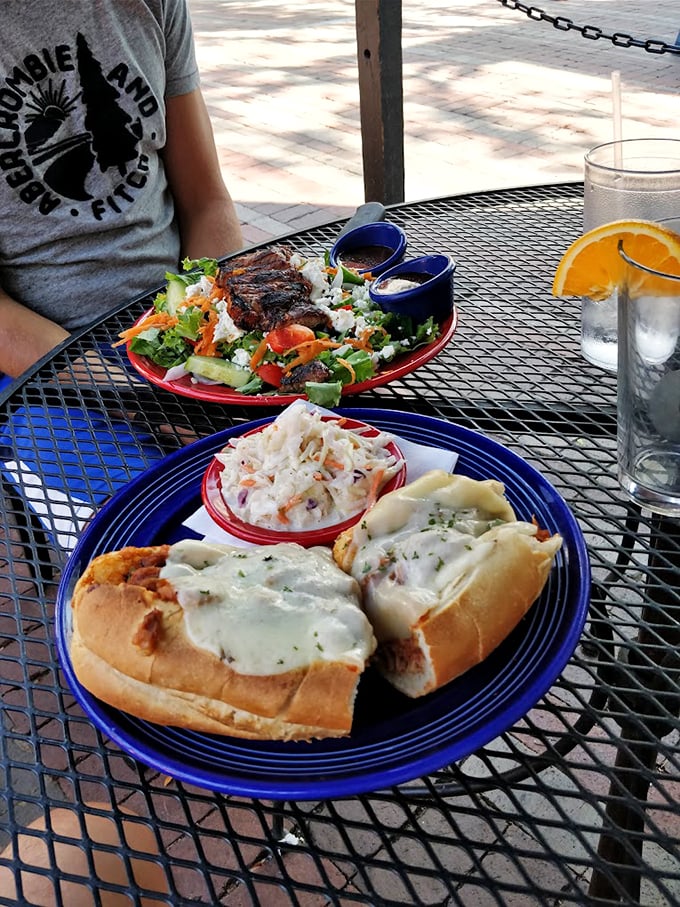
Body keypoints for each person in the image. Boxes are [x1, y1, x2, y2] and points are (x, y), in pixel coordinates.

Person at [0, 0, 244, 380]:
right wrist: (127, 394)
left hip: (178, 322)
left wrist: (215, 334)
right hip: (46, 361)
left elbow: (206, 202)